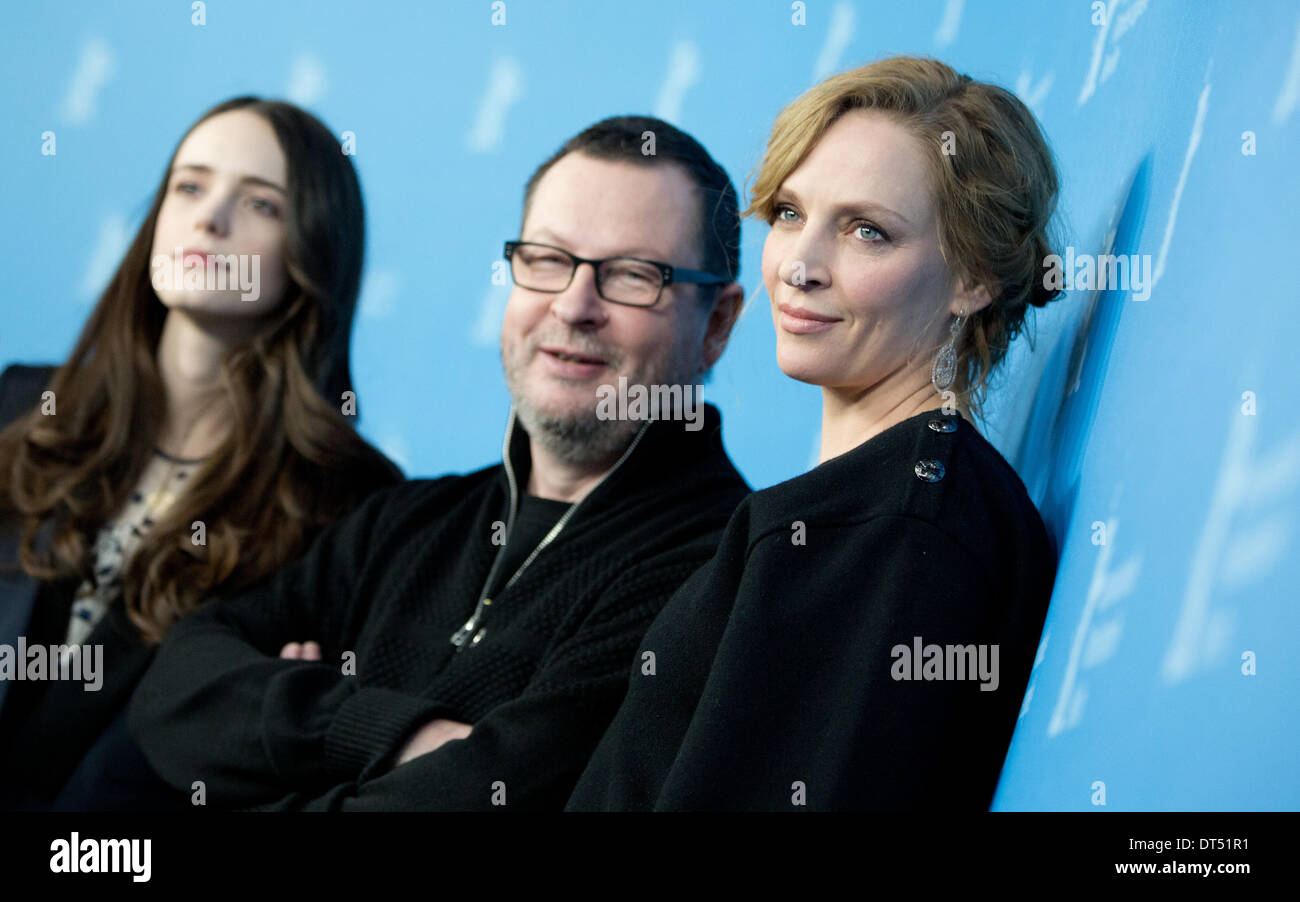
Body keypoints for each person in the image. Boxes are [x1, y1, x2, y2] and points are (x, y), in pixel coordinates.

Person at [127, 115, 751, 810]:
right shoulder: (402, 521)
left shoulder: (720, 571)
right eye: (547, 259)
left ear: (718, 323)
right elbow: (171, 692)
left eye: (635, 275)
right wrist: (376, 732)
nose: (574, 305)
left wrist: (280, 739)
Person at [567, 55, 1063, 811]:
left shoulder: (895, 528)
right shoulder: (881, 508)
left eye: (868, 232)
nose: (799, 266)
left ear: (973, 278)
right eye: (791, 214)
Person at [0, 97, 403, 810]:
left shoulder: (350, 503)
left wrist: (285, 716)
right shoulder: (20, 406)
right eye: (189, 186)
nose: (208, 219)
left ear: (313, 248)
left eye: (260, 204)